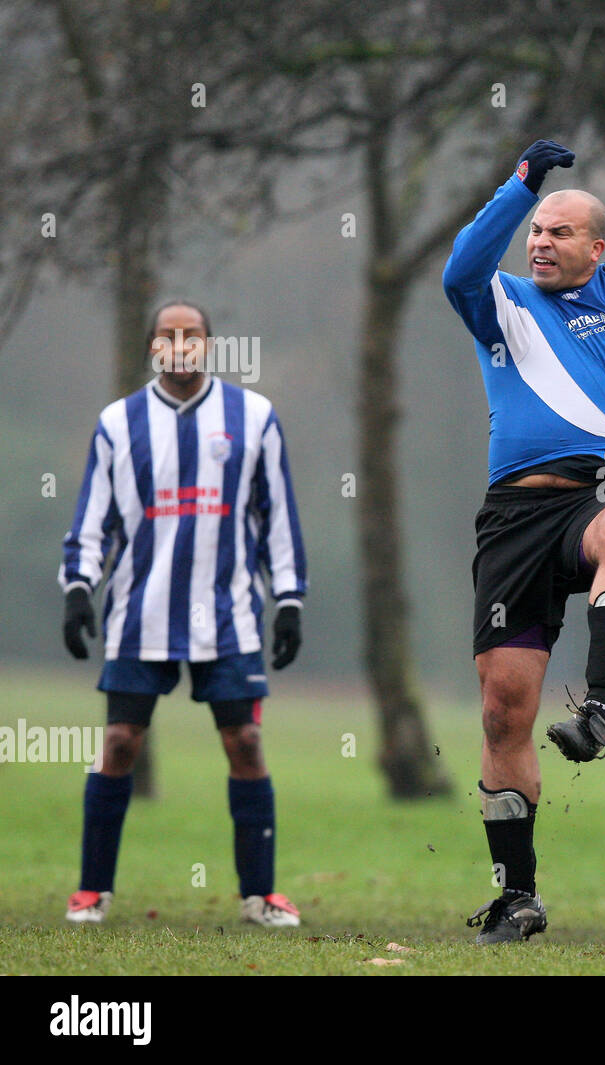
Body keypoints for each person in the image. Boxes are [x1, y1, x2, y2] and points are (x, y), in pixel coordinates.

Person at [441, 16, 605, 944]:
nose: (541, 242)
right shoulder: (501, 301)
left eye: (558, 231)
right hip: (514, 514)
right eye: (537, 231)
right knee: (502, 707)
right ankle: (517, 893)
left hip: (602, 493)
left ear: (600, 248)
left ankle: (598, 708)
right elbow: (460, 266)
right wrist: (518, 187)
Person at [60, 299, 307, 928]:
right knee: (118, 742)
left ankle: (260, 894)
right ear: (153, 348)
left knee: (246, 743)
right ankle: (92, 891)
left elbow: (276, 514)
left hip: (230, 618)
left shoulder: (253, 418)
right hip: (140, 614)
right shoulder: (119, 422)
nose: (180, 344)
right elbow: (95, 516)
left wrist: (288, 600)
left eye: (192, 335)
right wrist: (79, 588)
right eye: (168, 336)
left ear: (209, 345)